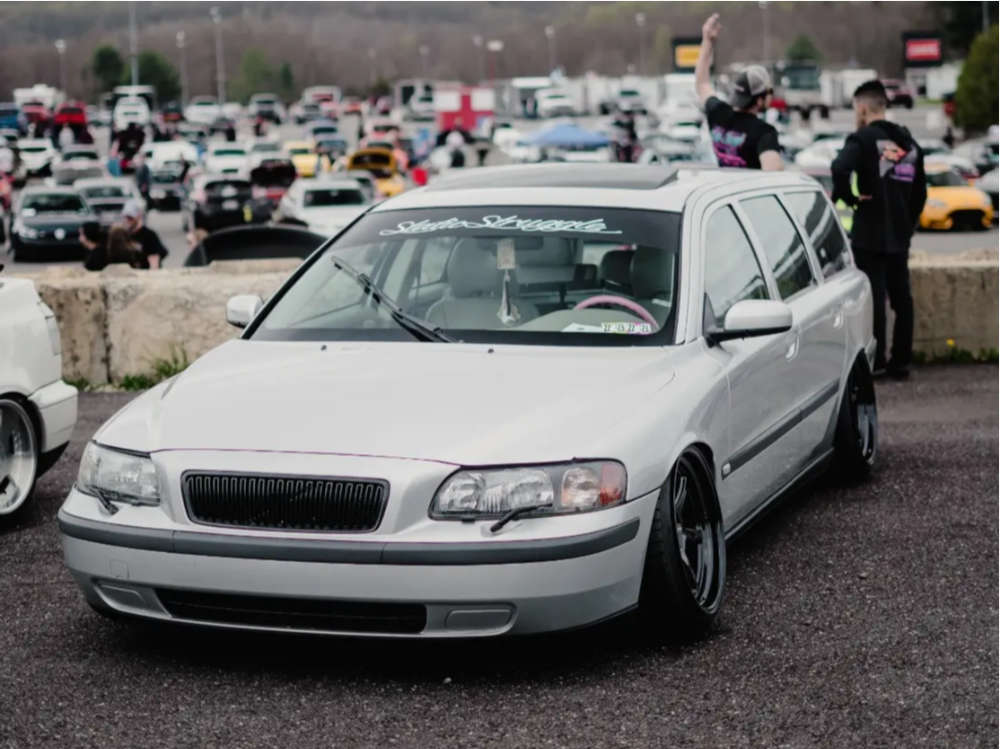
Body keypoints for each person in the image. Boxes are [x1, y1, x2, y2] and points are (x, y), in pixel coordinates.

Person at [832, 80, 926, 380]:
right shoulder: (910, 144)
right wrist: (907, 225)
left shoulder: (862, 139)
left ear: (862, 108)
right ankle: (901, 362)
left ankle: (877, 362)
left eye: (855, 109)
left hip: (869, 234)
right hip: (899, 235)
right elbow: (920, 194)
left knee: (874, 299)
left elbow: (839, 168)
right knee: (902, 299)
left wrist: (850, 199)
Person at [695, 13, 782, 171]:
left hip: (725, 187)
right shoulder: (764, 133)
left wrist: (707, 40)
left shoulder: (717, 113)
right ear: (759, 100)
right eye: (769, 92)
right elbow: (774, 175)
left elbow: (702, 83)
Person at [120, 200, 168, 269]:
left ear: (138, 216)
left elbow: (154, 263)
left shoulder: (149, 235)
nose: (127, 220)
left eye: (130, 217)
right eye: (125, 217)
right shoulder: (122, 235)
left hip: (144, 272)